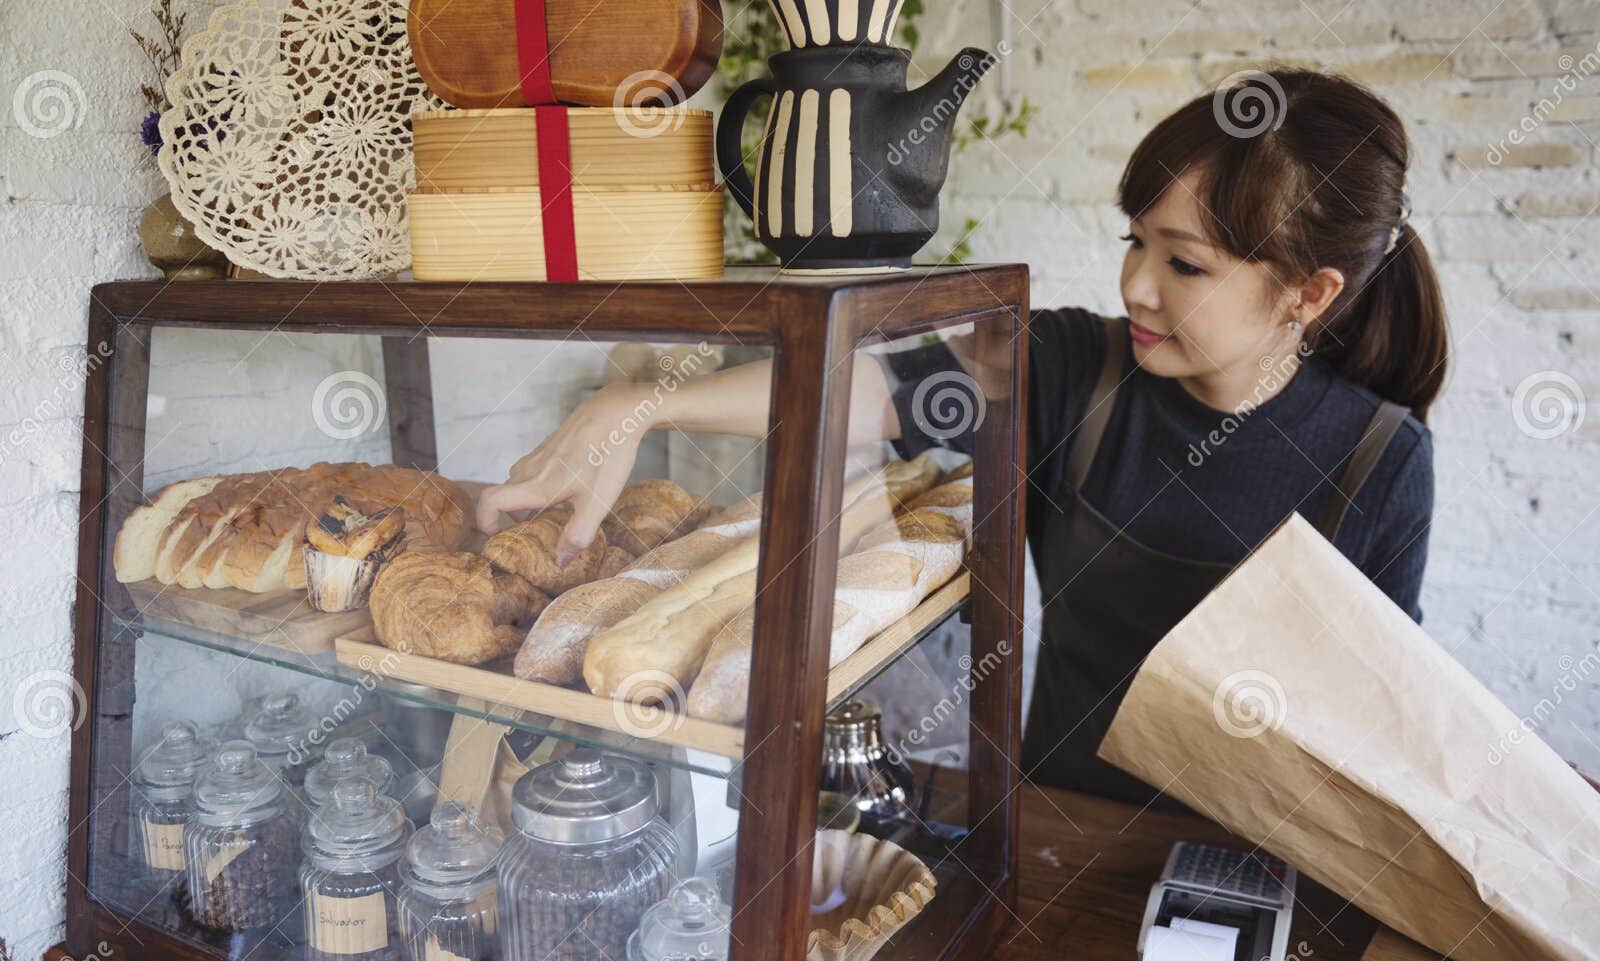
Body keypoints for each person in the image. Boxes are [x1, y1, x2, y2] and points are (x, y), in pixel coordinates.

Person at [477, 70, 1446, 806]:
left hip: (1259, 867)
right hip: (1057, 822)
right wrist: (640, 406)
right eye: (1135, 243)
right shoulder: (1076, 369)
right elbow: (856, 390)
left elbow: (1371, 727)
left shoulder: (1379, 458)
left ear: (1307, 294)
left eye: (1185, 264)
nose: (1139, 287)